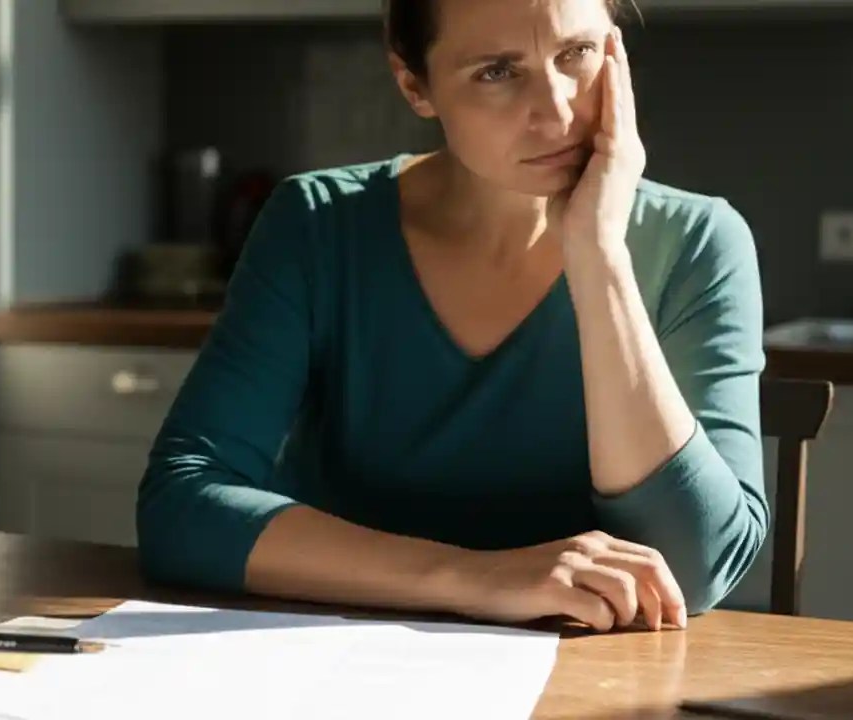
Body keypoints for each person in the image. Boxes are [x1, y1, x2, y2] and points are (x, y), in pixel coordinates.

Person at [135, 0, 768, 634]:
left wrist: (599, 253)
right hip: (342, 663)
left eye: (576, 54)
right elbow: (183, 504)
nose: (557, 113)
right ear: (416, 86)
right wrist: (476, 577)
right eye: (497, 71)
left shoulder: (699, 242)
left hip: (598, 681)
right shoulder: (319, 226)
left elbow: (695, 567)